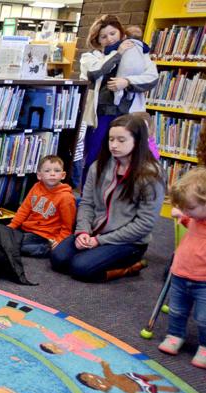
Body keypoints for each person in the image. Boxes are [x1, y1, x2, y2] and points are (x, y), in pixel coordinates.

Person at [50, 114, 165, 282]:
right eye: (111, 139)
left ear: (137, 141)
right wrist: (82, 231)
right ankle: (94, 252)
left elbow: (145, 223)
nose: (114, 145)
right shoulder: (99, 167)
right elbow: (87, 203)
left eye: (121, 140)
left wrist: (100, 240)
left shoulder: (151, 175)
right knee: (58, 259)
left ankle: (129, 268)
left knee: (80, 268)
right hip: (94, 231)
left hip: (128, 241)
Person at [76, 14, 158, 187]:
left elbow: (152, 78)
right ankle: (88, 194)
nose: (109, 39)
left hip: (127, 116)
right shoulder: (90, 57)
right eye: (103, 36)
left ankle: (121, 197)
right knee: (95, 155)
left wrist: (127, 82)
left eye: (113, 33)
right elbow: (94, 73)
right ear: (97, 40)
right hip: (101, 116)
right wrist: (117, 54)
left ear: (121, 33)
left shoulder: (139, 54)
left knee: (127, 157)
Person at [158, 168, 206, 369]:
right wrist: (183, 215)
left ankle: (204, 346)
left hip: (203, 281)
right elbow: (190, 221)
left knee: (203, 318)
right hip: (180, 273)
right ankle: (175, 335)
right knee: (177, 310)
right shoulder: (195, 218)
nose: (187, 211)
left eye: (191, 207)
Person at [7, 155, 76, 257]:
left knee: (14, 245)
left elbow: (67, 226)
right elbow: (24, 209)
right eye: (47, 171)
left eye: (57, 171)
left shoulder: (66, 197)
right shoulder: (36, 187)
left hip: (47, 236)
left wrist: (60, 242)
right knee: (9, 239)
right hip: (29, 230)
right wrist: (11, 227)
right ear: (39, 175)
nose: (52, 174)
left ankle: (46, 250)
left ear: (63, 175)